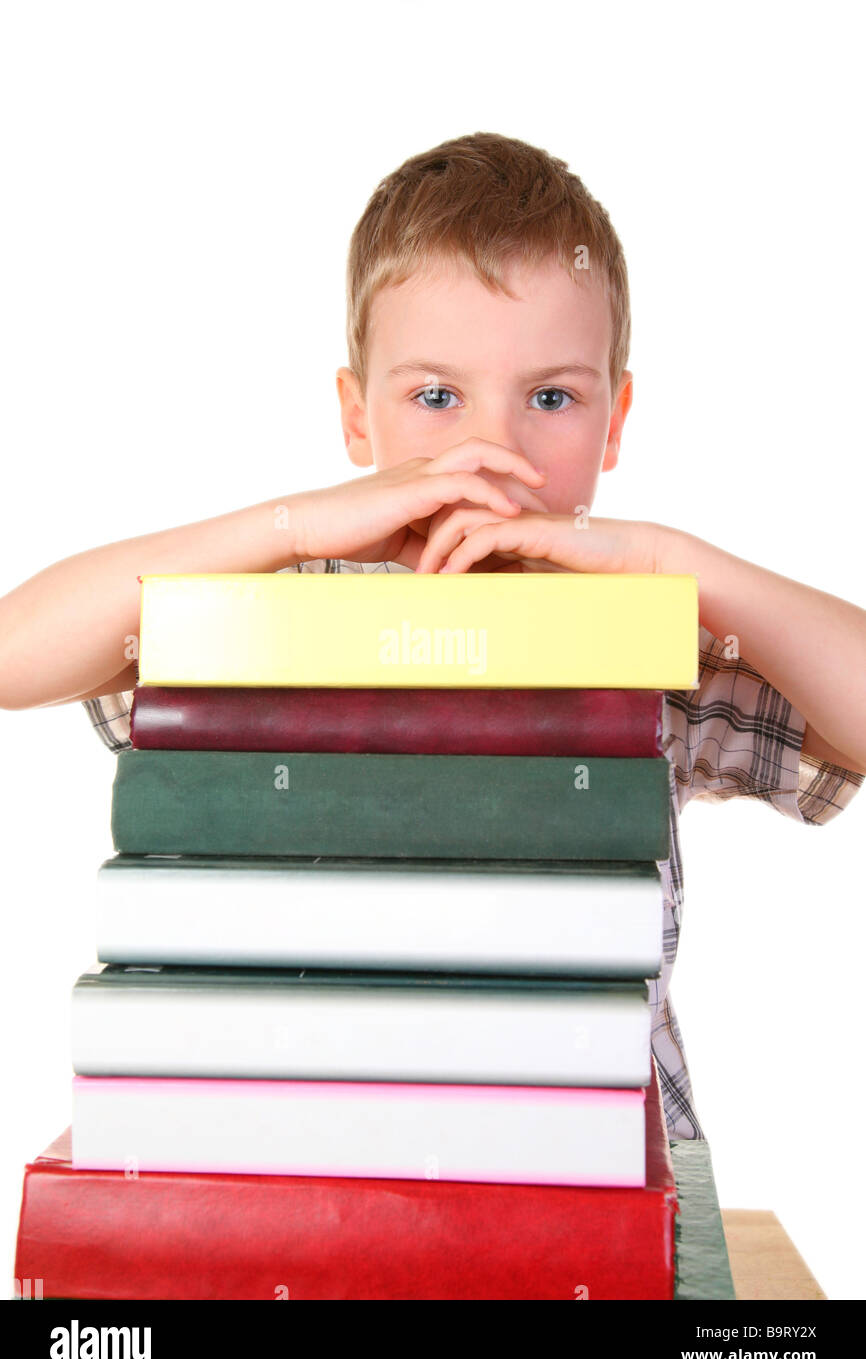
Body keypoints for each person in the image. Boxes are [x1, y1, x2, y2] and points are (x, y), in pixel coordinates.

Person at [2, 131, 863, 1140]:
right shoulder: (274, 615)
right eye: (434, 396)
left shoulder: (640, 634)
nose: (487, 447)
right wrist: (290, 525)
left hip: (593, 1178)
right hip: (316, 1166)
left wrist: (676, 561)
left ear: (613, 420)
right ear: (355, 416)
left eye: (550, 397)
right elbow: (16, 654)